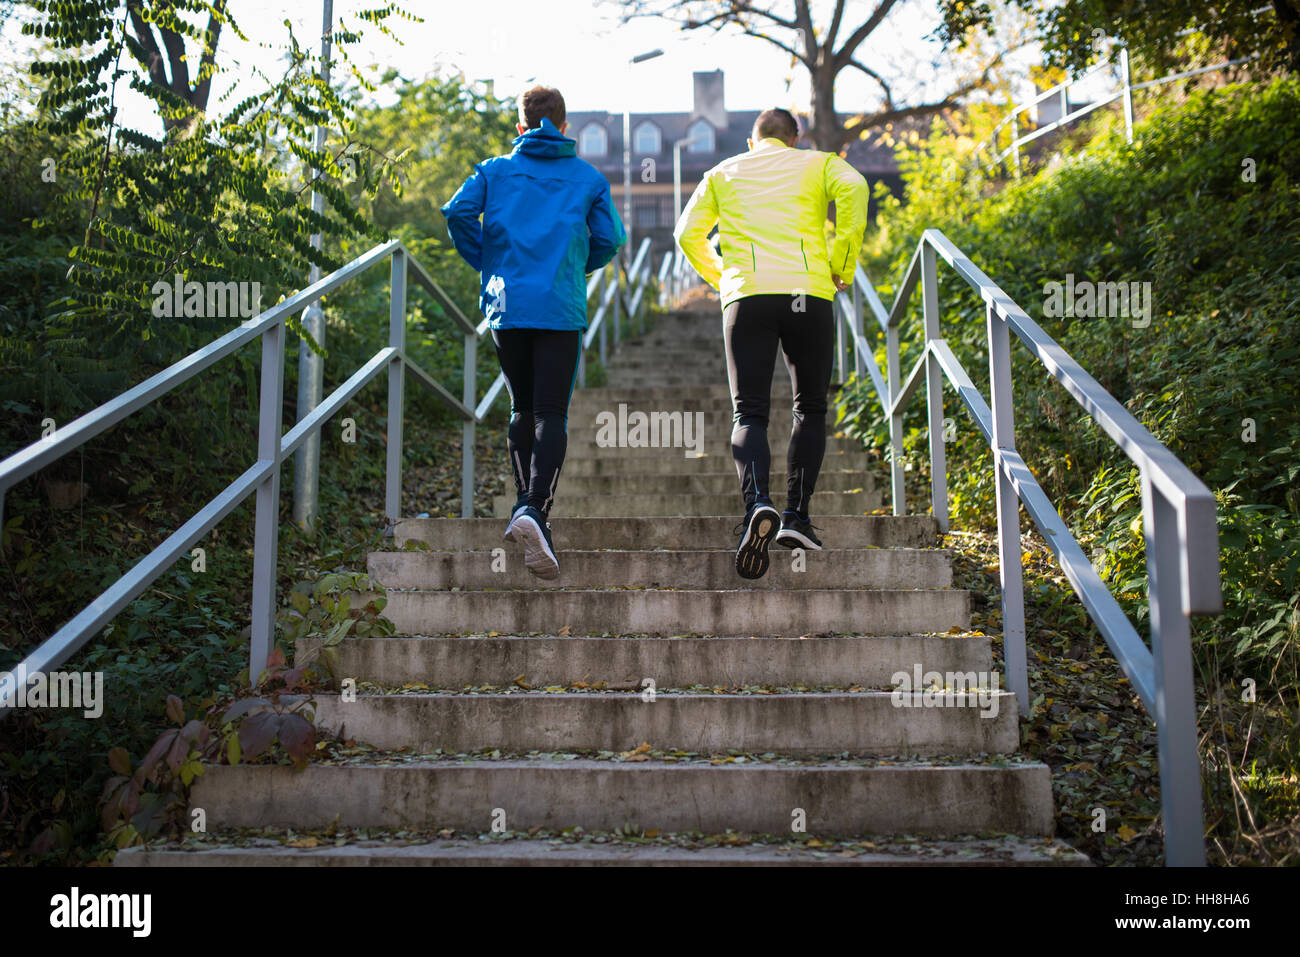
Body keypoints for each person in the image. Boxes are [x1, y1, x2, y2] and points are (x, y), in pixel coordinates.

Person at [674, 107, 867, 580]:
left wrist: (725, 278)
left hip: (749, 298)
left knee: (750, 412)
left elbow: (686, 233)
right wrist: (842, 260)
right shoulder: (818, 164)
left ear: (751, 140)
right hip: (809, 293)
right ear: (795, 139)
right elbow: (857, 187)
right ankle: (797, 516)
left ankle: (758, 505)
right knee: (810, 408)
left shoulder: (722, 171)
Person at [442, 85, 626, 579]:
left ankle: (527, 505)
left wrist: (489, 262)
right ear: (565, 128)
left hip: (507, 302)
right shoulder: (587, 177)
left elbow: (456, 212)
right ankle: (535, 510)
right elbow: (611, 238)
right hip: (559, 305)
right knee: (550, 412)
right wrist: (572, 266)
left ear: (519, 127)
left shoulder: (494, 169)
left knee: (521, 407)